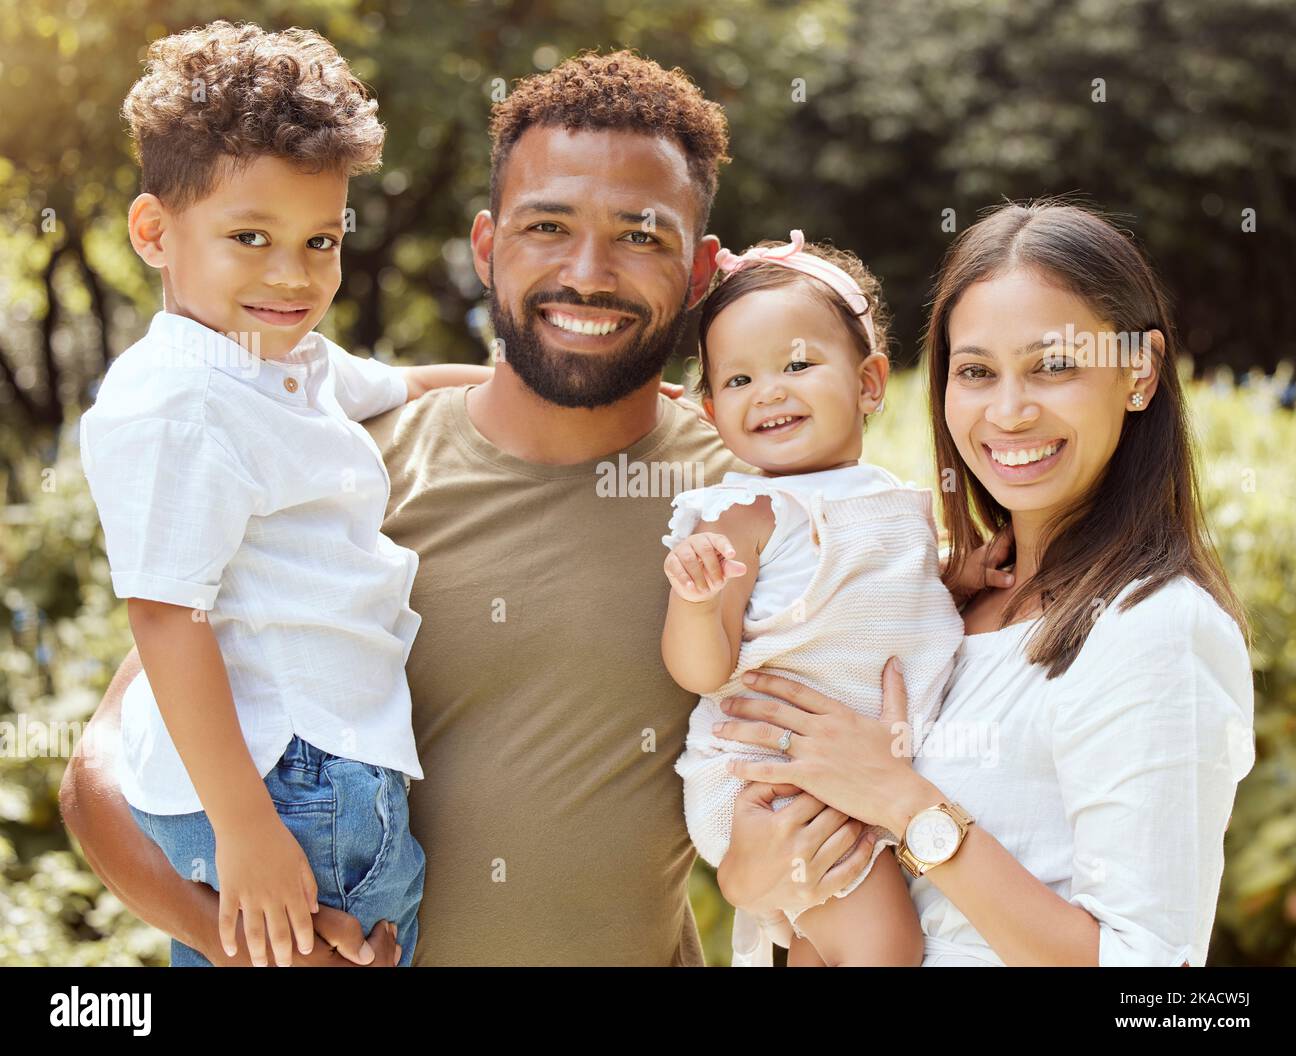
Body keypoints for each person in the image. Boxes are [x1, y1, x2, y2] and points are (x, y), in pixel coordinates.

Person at [62, 49, 853, 966]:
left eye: (641, 235)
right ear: (487, 245)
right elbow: (101, 778)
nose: (588, 273)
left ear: (702, 269)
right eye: (547, 225)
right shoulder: (345, 466)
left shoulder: (758, 501)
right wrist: (250, 949)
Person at [711, 200, 1256, 967]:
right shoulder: (935, 607)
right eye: (975, 372)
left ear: (1139, 373)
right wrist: (747, 874)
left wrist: (904, 803)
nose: (1009, 411)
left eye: (1054, 365)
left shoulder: (1154, 628)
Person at [72, 20, 513, 967]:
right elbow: (163, 619)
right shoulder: (177, 402)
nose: (293, 274)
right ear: (154, 232)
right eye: (250, 238)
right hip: (288, 778)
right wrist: (247, 834)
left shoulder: (282, 359)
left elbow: (397, 386)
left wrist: (523, 389)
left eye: (320, 239)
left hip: (310, 767)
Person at [659, 231, 965, 965]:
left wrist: (961, 573)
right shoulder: (744, 516)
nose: (768, 391)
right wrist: (698, 605)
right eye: (738, 381)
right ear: (709, 410)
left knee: (823, 948)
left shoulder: (885, 496)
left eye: (798, 364)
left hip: (845, 774)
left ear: (868, 382)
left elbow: (888, 597)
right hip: (775, 784)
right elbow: (703, 671)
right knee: (887, 947)